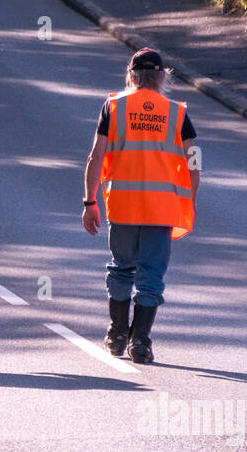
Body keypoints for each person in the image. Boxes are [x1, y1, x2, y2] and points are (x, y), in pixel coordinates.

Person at [81, 48, 198, 364]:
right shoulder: (176, 112)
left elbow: (95, 156)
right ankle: (141, 342)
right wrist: (190, 200)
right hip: (161, 209)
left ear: (130, 75)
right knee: (151, 274)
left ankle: (118, 333)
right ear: (162, 77)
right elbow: (194, 161)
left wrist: (90, 202)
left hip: (123, 205)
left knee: (121, 267)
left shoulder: (114, 107)